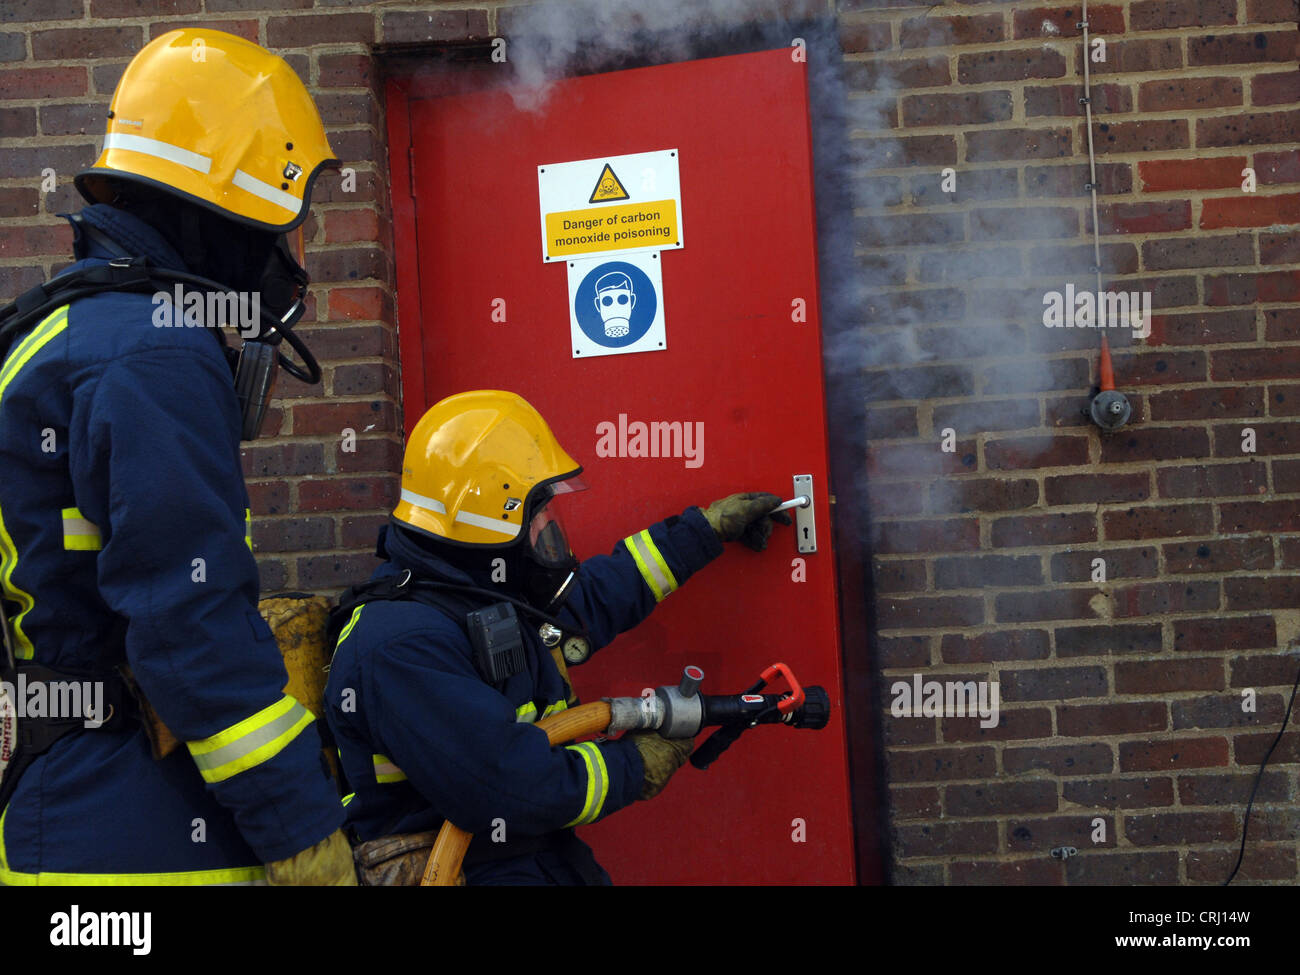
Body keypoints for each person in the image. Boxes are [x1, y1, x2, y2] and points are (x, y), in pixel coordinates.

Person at [0, 29, 353, 884]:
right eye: (291, 225)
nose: (297, 263)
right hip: (135, 836)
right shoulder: (156, 353)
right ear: (225, 211)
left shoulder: (68, 326)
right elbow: (192, 630)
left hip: (67, 809)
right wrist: (303, 834)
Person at [325, 389, 791, 885]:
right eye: (539, 508)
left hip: (527, 860)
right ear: (489, 514)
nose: (551, 524)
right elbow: (508, 787)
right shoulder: (400, 646)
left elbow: (587, 605)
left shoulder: (477, 593)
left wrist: (702, 533)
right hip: (462, 868)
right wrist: (635, 764)